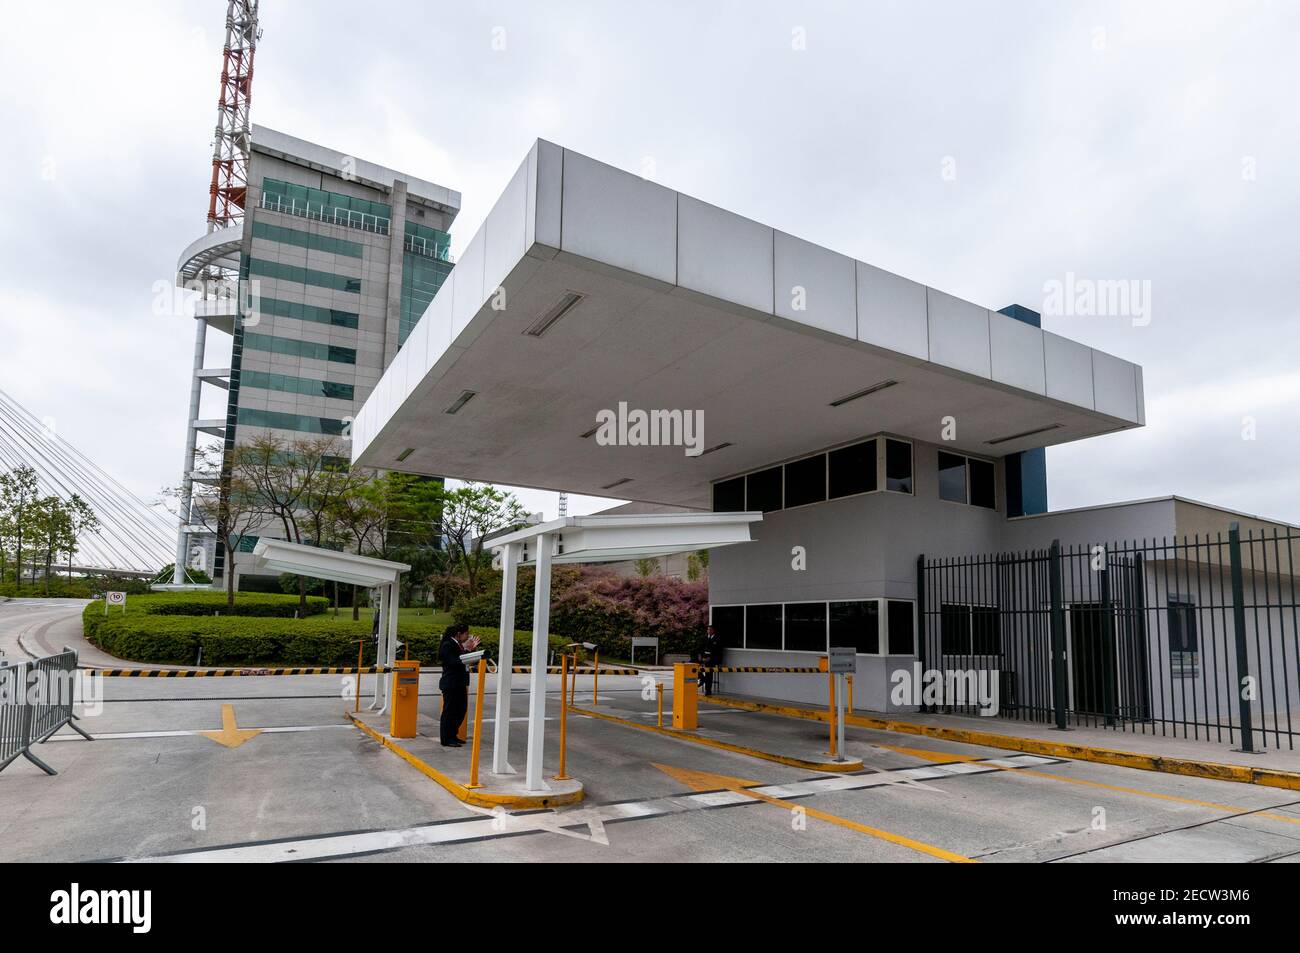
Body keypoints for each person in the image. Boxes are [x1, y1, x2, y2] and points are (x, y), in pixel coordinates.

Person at [438, 623, 480, 747]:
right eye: (466, 634)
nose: (468, 636)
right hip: (451, 683)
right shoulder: (448, 645)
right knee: (449, 711)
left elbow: (461, 659)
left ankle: (453, 735)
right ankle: (446, 738)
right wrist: (468, 651)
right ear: (458, 634)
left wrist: (470, 650)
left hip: (459, 682)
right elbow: (454, 661)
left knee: (460, 709)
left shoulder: (458, 645)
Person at [699, 624, 723, 697]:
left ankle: (708, 690)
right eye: (707, 629)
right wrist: (700, 656)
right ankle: (702, 678)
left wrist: (709, 658)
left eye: (710, 629)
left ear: (713, 630)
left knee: (708, 672)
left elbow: (717, 651)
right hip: (704, 657)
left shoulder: (717, 638)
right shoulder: (705, 638)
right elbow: (701, 647)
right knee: (692, 664)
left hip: (713, 658)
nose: (708, 631)